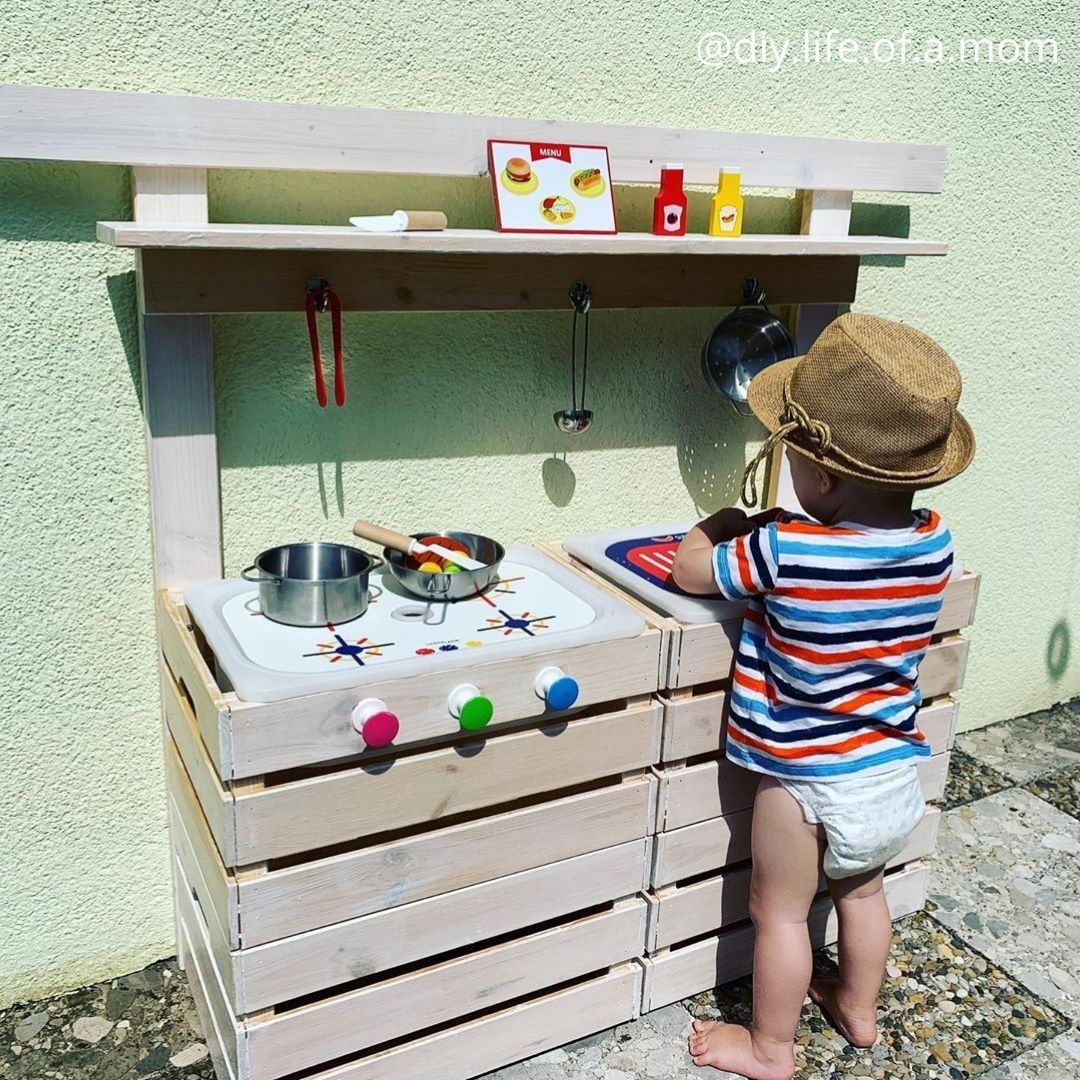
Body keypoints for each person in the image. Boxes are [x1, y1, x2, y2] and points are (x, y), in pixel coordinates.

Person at [671, 312, 974, 1079]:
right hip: (886, 772)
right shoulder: (933, 540)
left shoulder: (784, 547)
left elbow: (690, 573)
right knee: (862, 897)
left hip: (803, 780)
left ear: (823, 474)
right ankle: (859, 1012)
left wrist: (721, 523)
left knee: (776, 914)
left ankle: (769, 1048)